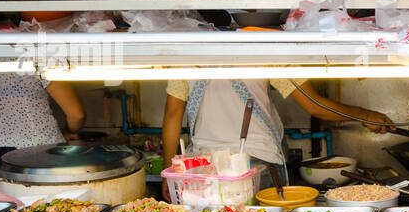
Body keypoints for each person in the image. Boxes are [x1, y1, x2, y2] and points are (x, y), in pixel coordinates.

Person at [160, 77, 392, 196]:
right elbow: (314, 106)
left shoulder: (186, 52)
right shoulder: (265, 47)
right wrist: (365, 114)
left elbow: (172, 115)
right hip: (257, 166)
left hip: (201, 172)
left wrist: (167, 177)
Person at [0, 70, 86, 170]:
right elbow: (76, 115)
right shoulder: (35, 56)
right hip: (40, 148)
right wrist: (69, 131)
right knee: (48, 200)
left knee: (2, 199)